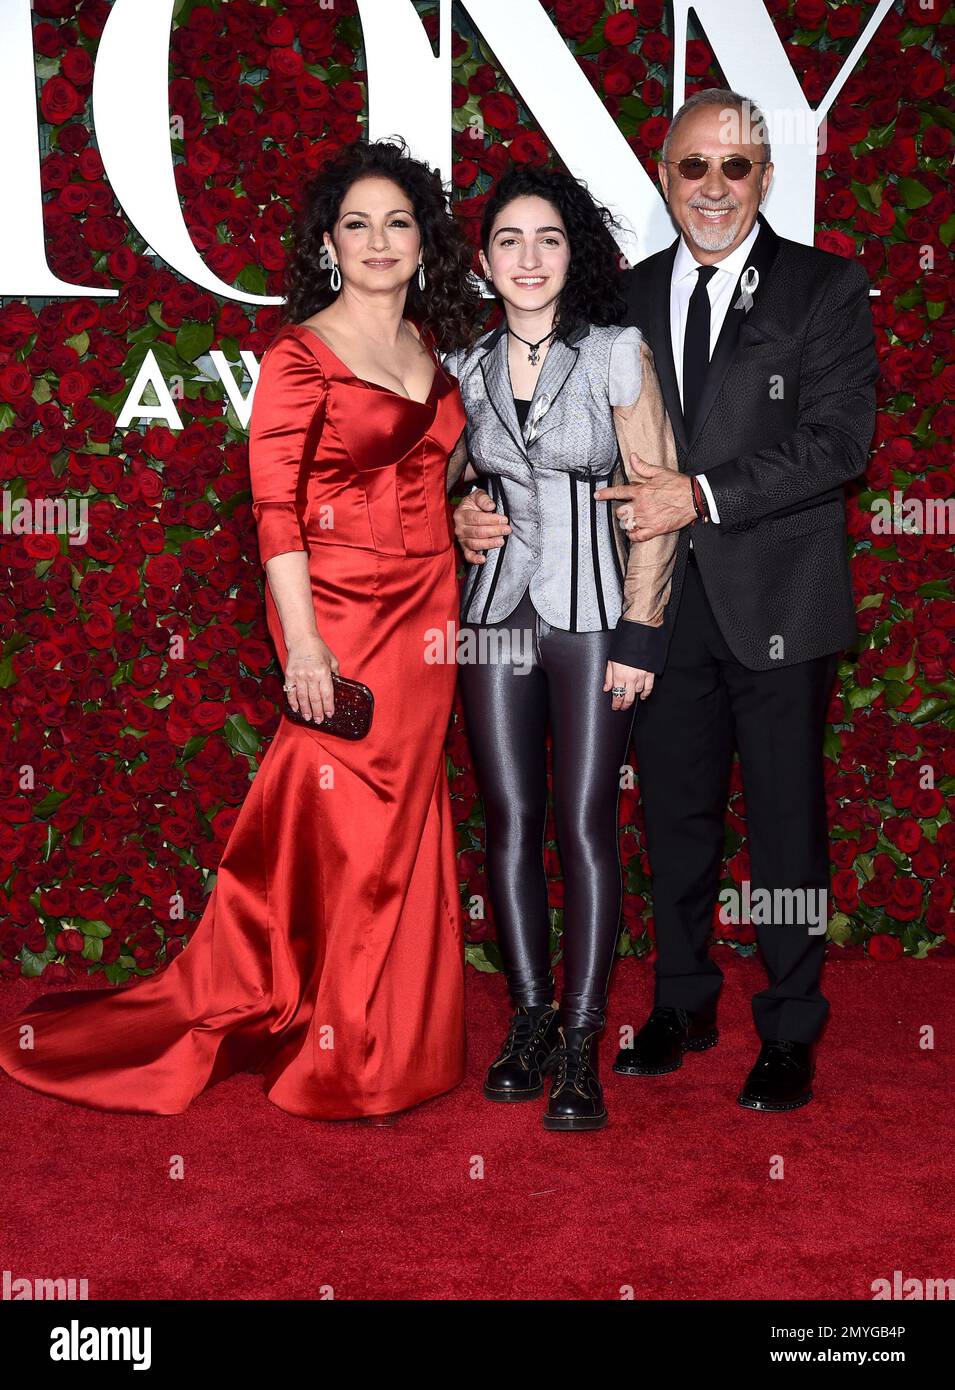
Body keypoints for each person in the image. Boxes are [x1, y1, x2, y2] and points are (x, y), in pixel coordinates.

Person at [0, 137, 479, 1124]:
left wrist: (467, 515)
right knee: (348, 824)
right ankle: (341, 1045)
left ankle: (397, 1037)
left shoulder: (430, 349)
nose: (379, 241)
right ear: (329, 245)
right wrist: (302, 644)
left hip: (432, 608)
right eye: (358, 225)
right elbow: (276, 513)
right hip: (343, 614)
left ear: (421, 241)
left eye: (397, 223)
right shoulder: (300, 354)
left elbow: (433, 473)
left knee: (404, 815)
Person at [458, 90, 879, 1114]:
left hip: (780, 599)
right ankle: (683, 1001)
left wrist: (696, 493)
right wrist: (473, 500)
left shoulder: (823, 288)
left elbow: (839, 445)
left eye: (736, 169)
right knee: (676, 819)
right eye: (694, 168)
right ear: (665, 176)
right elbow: (549, 429)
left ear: (765, 178)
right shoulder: (626, 298)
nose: (714, 189)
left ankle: (786, 1023)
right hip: (658, 604)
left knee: (784, 823)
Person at [444, 167, 680, 1131]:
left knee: (583, 826)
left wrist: (641, 632)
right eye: (508, 240)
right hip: (493, 617)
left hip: (594, 621)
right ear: (485, 260)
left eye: (547, 238)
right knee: (507, 822)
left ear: (572, 252)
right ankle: (530, 1018)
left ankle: (583, 1037)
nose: (528, 258)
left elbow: (658, 503)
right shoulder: (461, 365)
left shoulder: (619, 352)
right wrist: (460, 513)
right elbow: (433, 484)